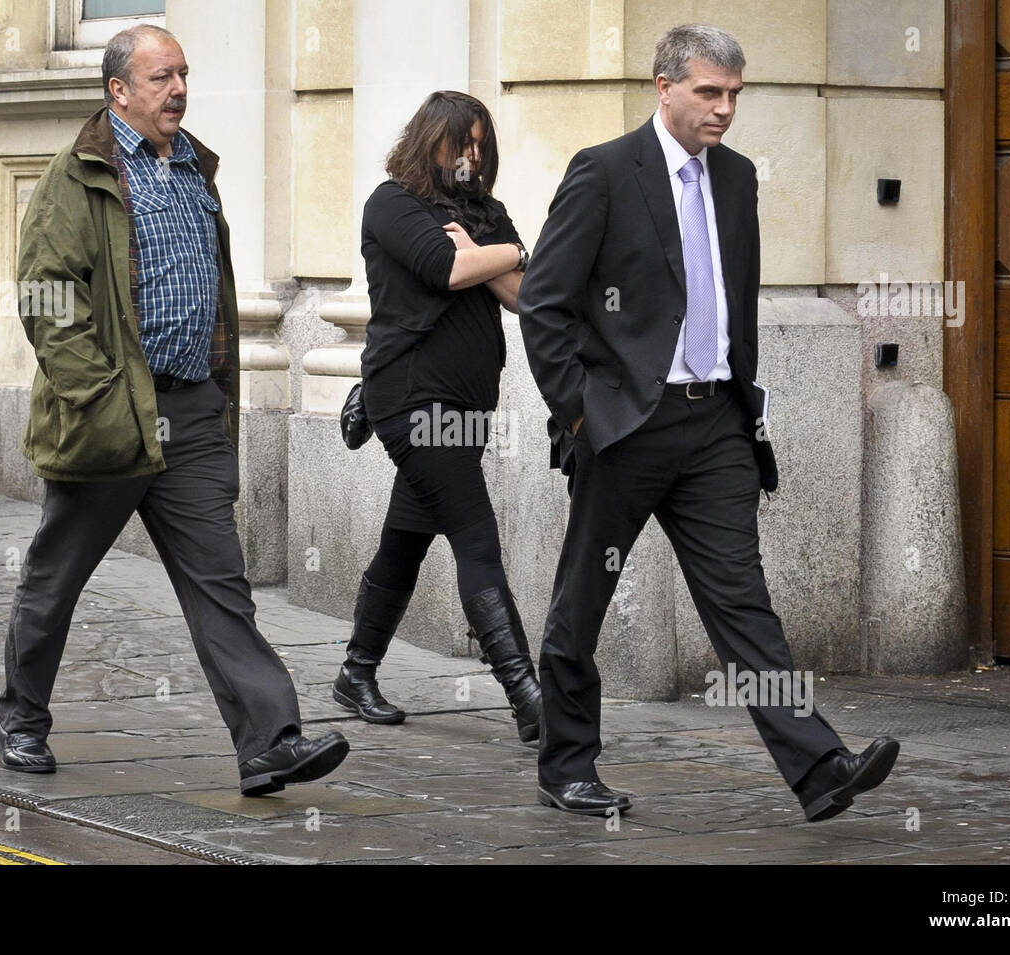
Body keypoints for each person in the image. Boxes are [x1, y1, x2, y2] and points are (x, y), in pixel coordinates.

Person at [517, 24, 899, 817]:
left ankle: (819, 765)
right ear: (664, 87)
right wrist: (580, 413)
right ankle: (567, 766)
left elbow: (734, 300)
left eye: (733, 95)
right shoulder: (604, 173)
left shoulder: (737, 178)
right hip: (625, 426)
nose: (724, 110)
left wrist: (742, 396)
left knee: (742, 600)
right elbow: (545, 302)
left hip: (717, 422)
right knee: (582, 601)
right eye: (709, 93)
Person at [0, 24, 348, 797]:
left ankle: (268, 742)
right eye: (162, 78)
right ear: (119, 90)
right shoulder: (77, 175)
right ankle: (22, 714)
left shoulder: (194, 170)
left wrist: (219, 390)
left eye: (184, 74)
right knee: (56, 576)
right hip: (110, 412)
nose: (179, 90)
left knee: (220, 581)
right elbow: (47, 295)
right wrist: (94, 393)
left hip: (189, 412)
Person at [330, 91, 541, 742]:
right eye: (461, 142)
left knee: (406, 536)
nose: (472, 156)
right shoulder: (393, 204)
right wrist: (507, 252)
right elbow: (445, 267)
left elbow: (526, 298)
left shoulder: (485, 211)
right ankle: (531, 700)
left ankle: (355, 672)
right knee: (476, 536)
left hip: (468, 404)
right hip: (413, 398)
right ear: (431, 141)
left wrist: (504, 254)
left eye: (480, 143)